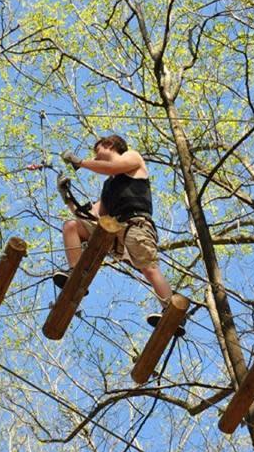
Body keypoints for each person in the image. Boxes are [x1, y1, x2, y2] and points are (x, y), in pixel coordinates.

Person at [53, 134, 176, 329]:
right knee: (72, 226)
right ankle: (75, 275)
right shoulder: (109, 185)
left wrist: (80, 163)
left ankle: (171, 312)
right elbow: (92, 217)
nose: (95, 157)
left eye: (97, 152)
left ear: (109, 145)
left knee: (149, 268)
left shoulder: (133, 158)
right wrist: (67, 196)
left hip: (136, 224)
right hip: (114, 231)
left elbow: (112, 167)